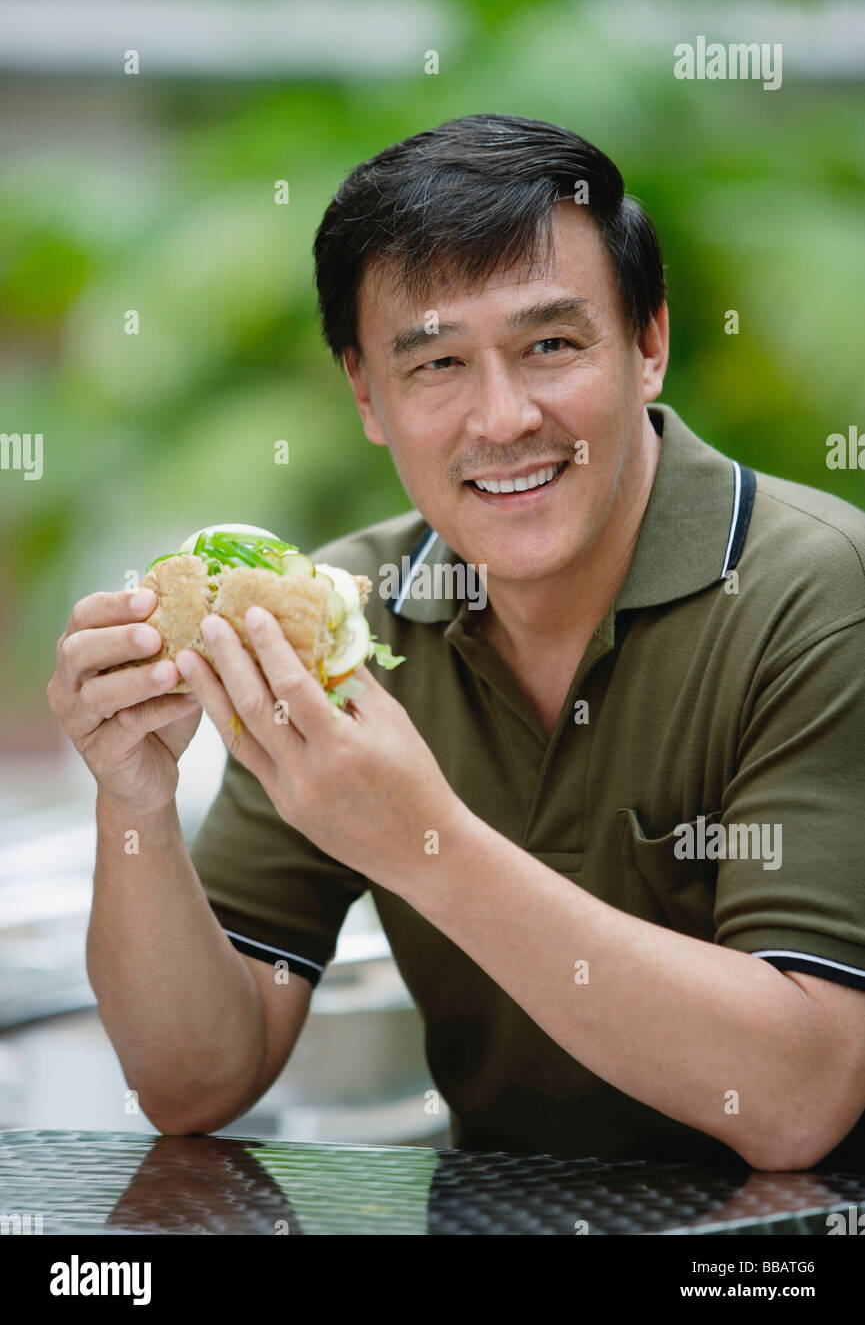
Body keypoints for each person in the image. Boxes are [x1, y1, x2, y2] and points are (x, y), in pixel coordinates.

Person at [47, 114, 865, 1171]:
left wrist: (419, 840)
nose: (502, 416)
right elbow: (194, 1080)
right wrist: (135, 800)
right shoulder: (343, 614)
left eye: (551, 346)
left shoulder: (816, 590)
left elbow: (797, 1099)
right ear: (365, 394)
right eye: (434, 363)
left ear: (648, 346)